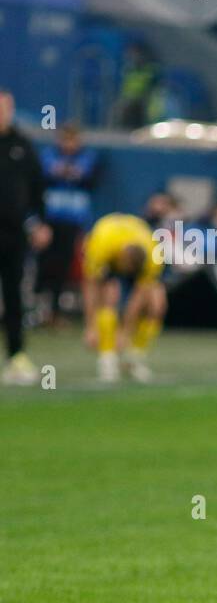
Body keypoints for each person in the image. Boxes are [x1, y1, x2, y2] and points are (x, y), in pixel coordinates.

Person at [0, 88, 52, 386]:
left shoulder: (23, 145)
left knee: (14, 295)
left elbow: (37, 189)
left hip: (13, 234)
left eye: (5, 108)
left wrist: (41, 223)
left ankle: (16, 356)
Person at [81, 212, 166, 383]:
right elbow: (91, 287)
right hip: (108, 239)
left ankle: (134, 357)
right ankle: (107, 358)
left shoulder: (154, 255)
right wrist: (90, 326)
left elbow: (139, 296)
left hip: (137, 240)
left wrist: (124, 333)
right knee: (109, 297)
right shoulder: (101, 244)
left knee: (157, 305)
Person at [38, 123, 99, 325]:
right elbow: (49, 173)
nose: (68, 144)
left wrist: (64, 171)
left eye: (72, 139)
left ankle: (54, 311)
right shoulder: (48, 154)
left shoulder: (88, 157)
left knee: (64, 266)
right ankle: (41, 309)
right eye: (65, 139)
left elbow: (84, 175)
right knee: (45, 264)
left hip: (72, 221)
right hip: (49, 221)